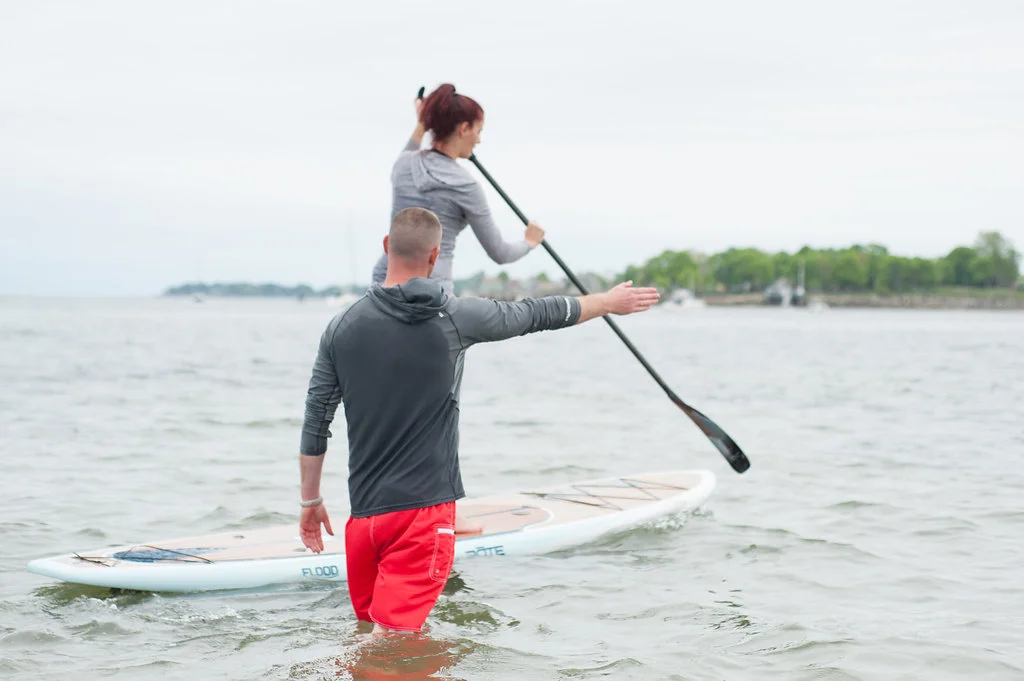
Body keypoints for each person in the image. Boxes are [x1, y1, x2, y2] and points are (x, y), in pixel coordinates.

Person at [299, 206, 659, 635]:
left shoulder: (341, 327)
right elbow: (537, 314)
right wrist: (605, 303)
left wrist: (310, 502)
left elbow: (316, 420)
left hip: (364, 521)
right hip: (423, 515)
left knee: (371, 634)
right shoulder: (455, 317)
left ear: (386, 247)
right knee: (393, 643)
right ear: (435, 256)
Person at [370, 83, 545, 296]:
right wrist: (529, 242)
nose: (479, 140)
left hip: (384, 284)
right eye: (478, 131)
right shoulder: (465, 185)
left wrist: (423, 122)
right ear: (463, 129)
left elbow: (412, 146)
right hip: (432, 293)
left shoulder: (403, 164)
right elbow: (500, 253)